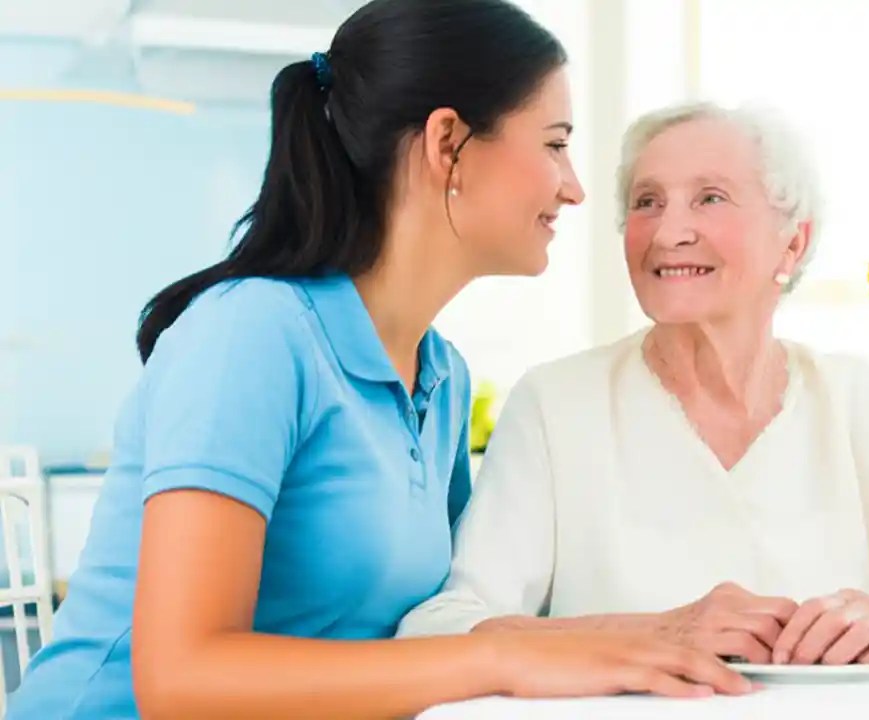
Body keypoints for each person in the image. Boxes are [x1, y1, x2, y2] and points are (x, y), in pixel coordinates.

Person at [8, 4, 755, 718]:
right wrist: (502, 664)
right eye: (555, 143)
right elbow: (183, 679)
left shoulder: (442, 377)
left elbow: (453, 628)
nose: (574, 186)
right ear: (446, 143)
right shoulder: (252, 335)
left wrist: (660, 632)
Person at [397, 102, 869, 666]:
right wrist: (650, 636)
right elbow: (445, 627)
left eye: (710, 198)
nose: (670, 230)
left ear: (792, 243)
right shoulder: (556, 405)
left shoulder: (868, 405)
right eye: (646, 201)